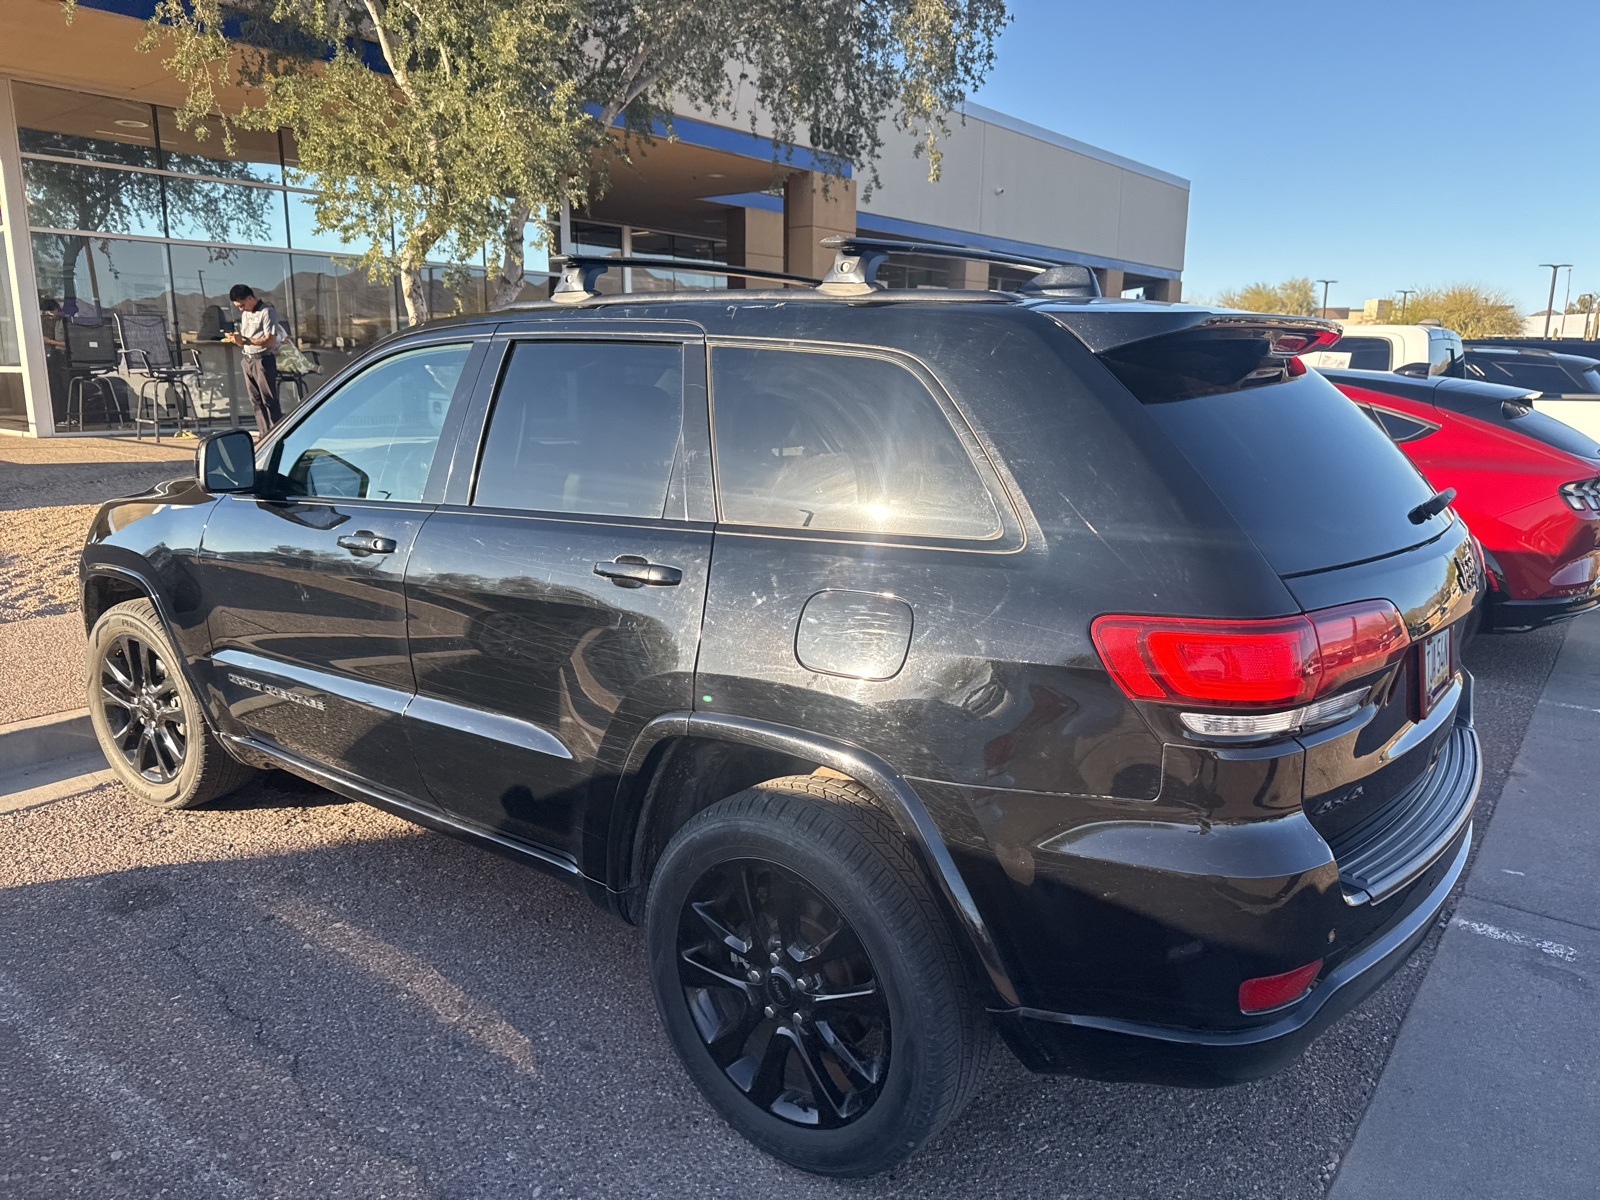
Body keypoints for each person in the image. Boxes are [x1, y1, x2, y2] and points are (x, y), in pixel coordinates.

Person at [226, 283, 287, 432]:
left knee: (269, 400)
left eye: (242, 305)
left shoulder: (267, 312)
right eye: (238, 307)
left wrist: (245, 340)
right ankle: (263, 434)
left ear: (250, 298)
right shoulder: (246, 314)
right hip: (247, 359)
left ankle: (276, 434)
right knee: (256, 401)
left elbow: (269, 341)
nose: (241, 309)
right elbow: (247, 338)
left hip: (263, 359)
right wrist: (237, 339)